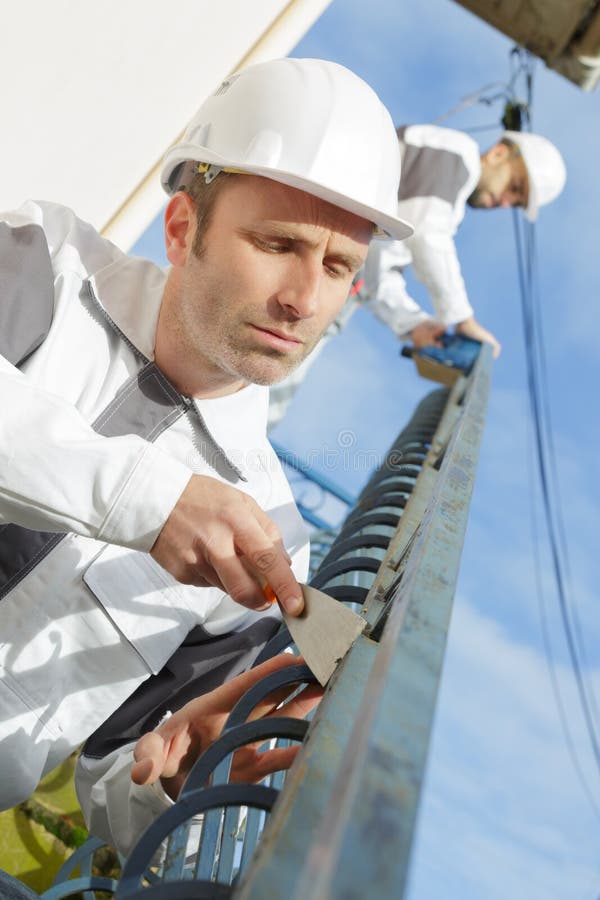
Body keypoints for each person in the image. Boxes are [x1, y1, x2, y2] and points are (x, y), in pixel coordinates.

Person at [0, 56, 411, 855]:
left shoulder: (272, 539)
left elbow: (113, 781)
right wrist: (146, 501)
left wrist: (183, 774)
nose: (303, 298)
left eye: (337, 268)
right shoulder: (43, 263)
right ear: (183, 228)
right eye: (278, 243)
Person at [267, 123, 566, 428]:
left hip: (325, 298)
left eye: (514, 203)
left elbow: (377, 278)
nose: (505, 201)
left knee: (264, 404)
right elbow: (427, 236)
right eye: (515, 187)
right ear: (499, 153)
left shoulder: (429, 206)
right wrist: (463, 318)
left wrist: (415, 326)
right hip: (301, 260)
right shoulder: (455, 152)